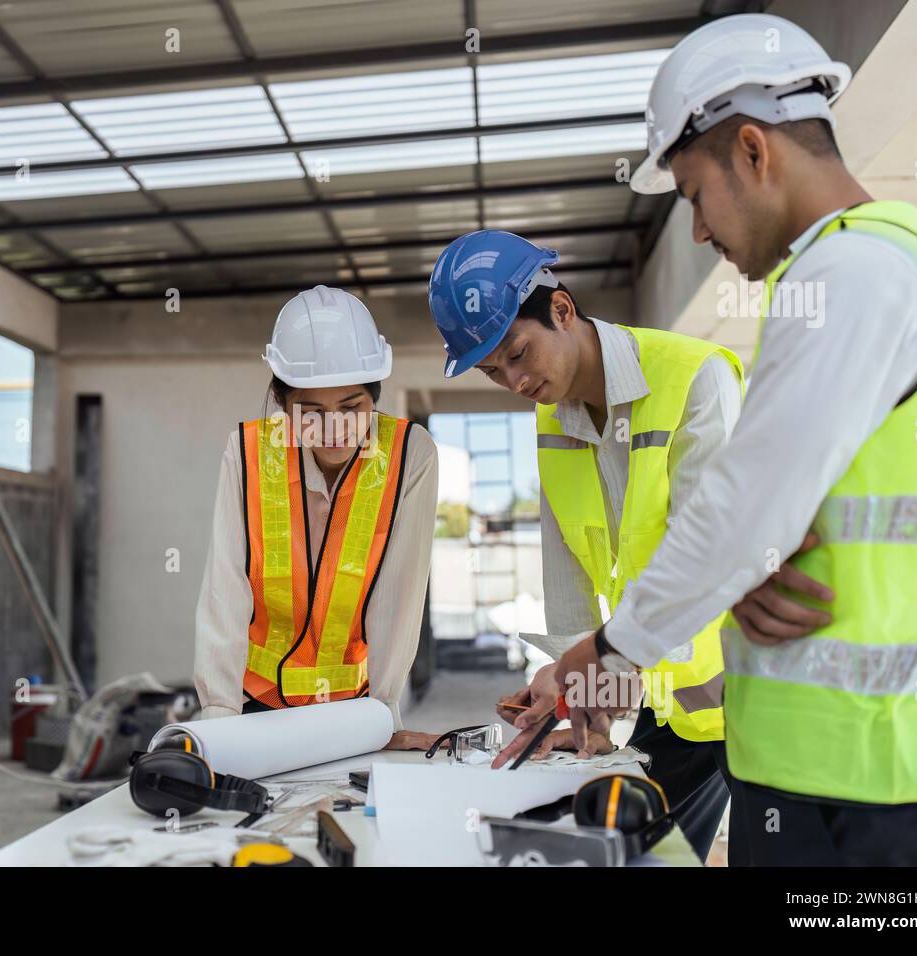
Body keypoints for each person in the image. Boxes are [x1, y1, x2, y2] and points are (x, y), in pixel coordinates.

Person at [551, 12, 917, 865]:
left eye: (696, 197)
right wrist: (746, 566)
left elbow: (746, 506)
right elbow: (780, 516)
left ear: (753, 150)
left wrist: (608, 649)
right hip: (838, 771)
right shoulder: (882, 267)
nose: (699, 231)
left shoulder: (851, 274)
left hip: (874, 780)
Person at [429, 230, 764, 862]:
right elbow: (569, 590)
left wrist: (583, 669)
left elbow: (703, 576)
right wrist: (585, 700)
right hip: (679, 712)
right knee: (630, 855)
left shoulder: (697, 379)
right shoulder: (554, 418)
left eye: (518, 353)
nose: (515, 380)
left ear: (562, 310)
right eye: (493, 371)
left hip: (759, 706)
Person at [193, 285, 439, 747]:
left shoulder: (410, 454)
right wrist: (218, 719)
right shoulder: (247, 453)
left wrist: (384, 714)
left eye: (352, 408)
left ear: (374, 397)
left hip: (355, 708)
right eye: (310, 411)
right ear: (283, 404)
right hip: (254, 705)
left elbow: (399, 597)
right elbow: (225, 591)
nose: (333, 430)